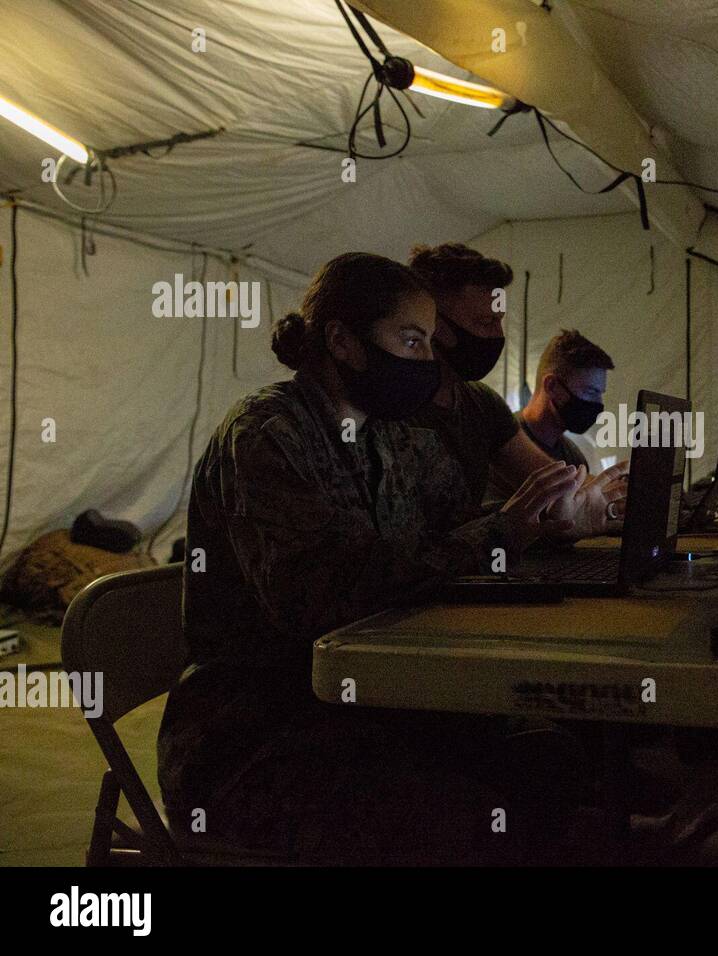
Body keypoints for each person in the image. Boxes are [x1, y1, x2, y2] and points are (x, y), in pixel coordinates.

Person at [157, 252, 591, 864]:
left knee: (552, 760)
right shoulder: (266, 434)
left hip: (359, 710)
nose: (426, 360)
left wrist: (539, 523)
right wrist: (501, 532)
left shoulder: (386, 434)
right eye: (411, 341)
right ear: (342, 341)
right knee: (476, 819)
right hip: (254, 742)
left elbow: (444, 532)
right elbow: (324, 597)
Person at [406, 243, 626, 535]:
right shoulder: (396, 407)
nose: (497, 336)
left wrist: (618, 494)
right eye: (484, 322)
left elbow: (546, 474)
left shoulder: (481, 402)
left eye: (499, 322)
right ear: (431, 324)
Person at [516, 329, 613, 470]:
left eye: (600, 393)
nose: (598, 403)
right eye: (590, 391)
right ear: (552, 386)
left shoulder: (573, 457)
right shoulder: (502, 442)